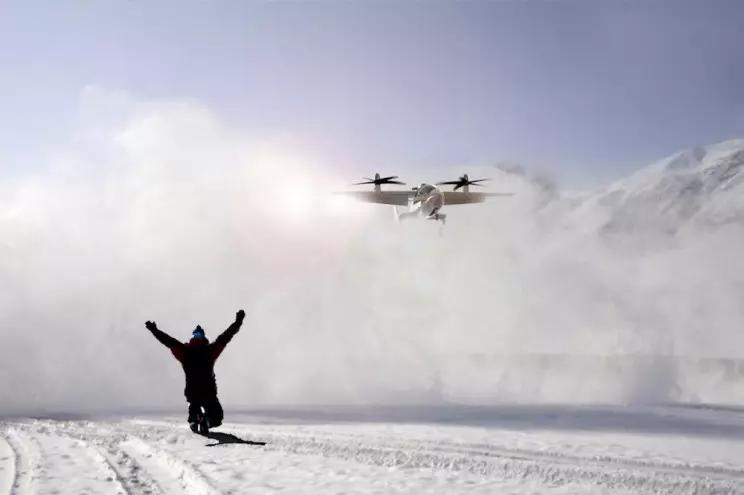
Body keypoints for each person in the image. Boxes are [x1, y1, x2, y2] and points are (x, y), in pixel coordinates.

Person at [145, 309, 245, 432]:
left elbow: (168, 341)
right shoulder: (210, 351)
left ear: (193, 337)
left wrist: (154, 330)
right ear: (204, 337)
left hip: (192, 392)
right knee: (217, 417)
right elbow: (226, 337)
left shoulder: (184, 352)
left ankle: (194, 418)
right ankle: (205, 420)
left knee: (193, 404)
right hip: (208, 392)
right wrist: (238, 322)